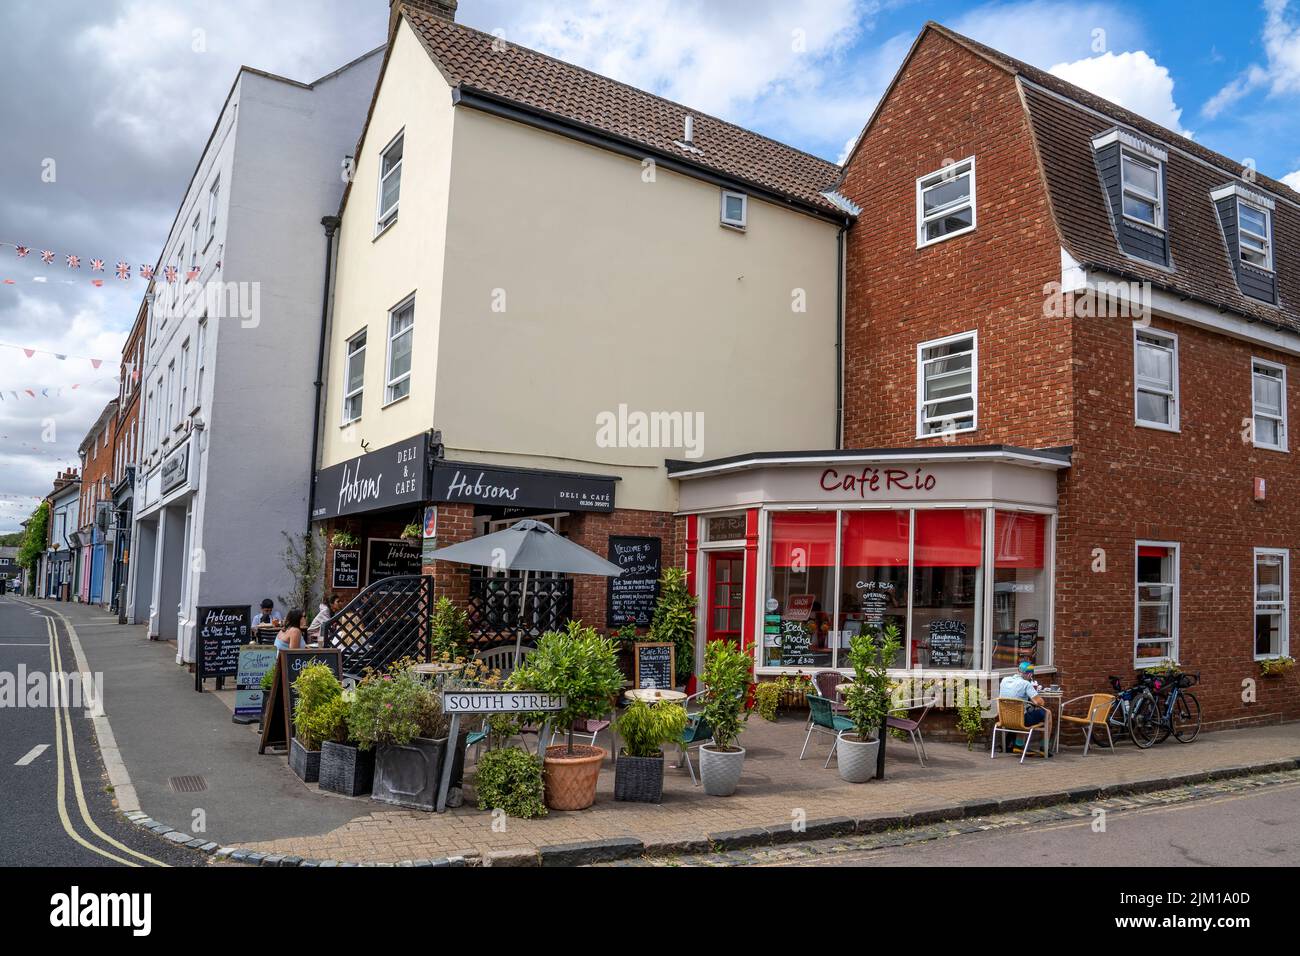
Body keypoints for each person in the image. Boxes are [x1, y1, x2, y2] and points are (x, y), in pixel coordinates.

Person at [998, 661, 1052, 756]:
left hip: (1005, 719)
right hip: (1020, 720)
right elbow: (1040, 702)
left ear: (1018, 670)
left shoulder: (1004, 680)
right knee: (1048, 713)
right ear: (1030, 674)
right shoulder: (1026, 684)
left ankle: (1019, 745)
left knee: (1024, 712)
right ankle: (1044, 747)